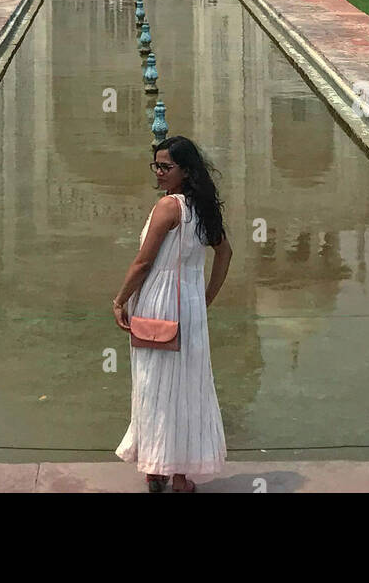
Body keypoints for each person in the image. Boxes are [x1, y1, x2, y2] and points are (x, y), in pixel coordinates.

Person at [113, 136, 231, 493]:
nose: (159, 172)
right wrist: (206, 297)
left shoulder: (168, 207)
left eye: (166, 167)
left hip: (158, 304)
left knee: (154, 386)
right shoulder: (203, 207)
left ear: (186, 170)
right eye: (157, 165)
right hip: (190, 307)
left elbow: (143, 263)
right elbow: (225, 253)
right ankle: (179, 476)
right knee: (187, 387)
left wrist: (119, 300)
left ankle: (156, 469)